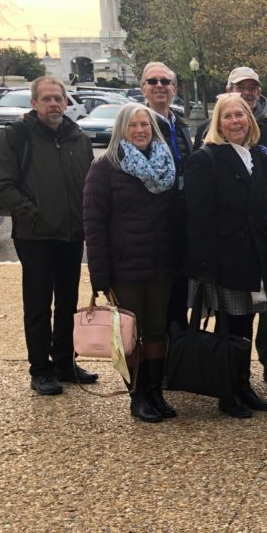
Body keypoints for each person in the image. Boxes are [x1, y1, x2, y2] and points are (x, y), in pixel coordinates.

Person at [0, 75, 98, 395]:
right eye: (46, 99)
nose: (53, 104)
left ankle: (64, 362)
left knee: (67, 302)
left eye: (58, 98)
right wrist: (31, 212)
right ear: (34, 103)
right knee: (38, 304)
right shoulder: (16, 136)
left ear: (66, 102)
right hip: (35, 235)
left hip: (72, 234)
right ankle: (40, 369)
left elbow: (90, 183)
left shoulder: (78, 138)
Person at [83, 103, 181, 421]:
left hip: (161, 264)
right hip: (125, 268)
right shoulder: (105, 167)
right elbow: (94, 225)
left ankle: (156, 390)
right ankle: (137, 395)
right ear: (121, 130)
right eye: (133, 125)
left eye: (145, 125)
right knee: (129, 335)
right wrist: (100, 276)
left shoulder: (165, 164)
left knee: (156, 331)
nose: (140, 130)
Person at [184, 94, 267, 419]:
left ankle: (243, 384)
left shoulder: (257, 156)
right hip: (223, 259)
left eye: (241, 115)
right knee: (227, 327)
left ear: (249, 120)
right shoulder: (206, 158)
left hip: (253, 256)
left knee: (245, 324)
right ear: (218, 123)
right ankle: (227, 390)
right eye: (228, 116)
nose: (235, 121)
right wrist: (205, 265)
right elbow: (197, 217)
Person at [220, 66, 267, 392]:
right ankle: (234, 374)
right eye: (241, 87)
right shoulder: (213, 129)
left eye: (252, 87)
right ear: (229, 89)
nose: (247, 93)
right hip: (233, 237)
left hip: (266, 230)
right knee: (236, 308)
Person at [139, 61, 195, 330]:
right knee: (155, 300)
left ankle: (178, 348)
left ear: (174, 88)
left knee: (179, 294)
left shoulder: (180, 125)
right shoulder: (139, 125)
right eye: (153, 81)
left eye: (165, 81)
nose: (159, 86)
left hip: (181, 220)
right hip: (152, 222)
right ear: (143, 88)